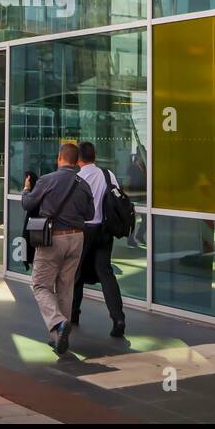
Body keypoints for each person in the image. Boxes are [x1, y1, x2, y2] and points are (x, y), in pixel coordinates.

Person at [21, 143, 93, 354]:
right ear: (76, 160)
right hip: (77, 238)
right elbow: (89, 214)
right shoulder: (84, 184)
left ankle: (58, 323)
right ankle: (58, 337)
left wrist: (26, 188)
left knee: (40, 285)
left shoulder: (47, 180)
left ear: (60, 157)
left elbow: (27, 204)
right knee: (66, 286)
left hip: (53, 239)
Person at [72, 141, 127, 337]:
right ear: (94, 156)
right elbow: (117, 195)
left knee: (76, 273)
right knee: (105, 273)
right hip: (105, 230)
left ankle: (73, 314)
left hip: (84, 230)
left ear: (78, 158)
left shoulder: (77, 177)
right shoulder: (107, 174)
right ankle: (118, 318)